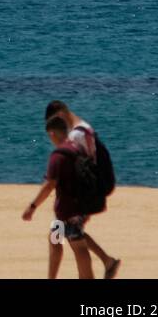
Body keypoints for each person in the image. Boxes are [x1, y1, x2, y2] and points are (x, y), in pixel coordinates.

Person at [43, 100, 121, 278]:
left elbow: (81, 167)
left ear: (61, 115)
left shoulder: (77, 134)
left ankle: (106, 262)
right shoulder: (80, 129)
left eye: (55, 121)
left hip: (78, 198)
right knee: (60, 237)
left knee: (74, 241)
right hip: (72, 198)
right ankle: (108, 261)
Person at [22, 116, 100, 278]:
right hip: (80, 205)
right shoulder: (77, 148)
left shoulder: (58, 155)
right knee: (55, 238)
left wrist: (32, 206)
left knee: (78, 245)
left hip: (69, 208)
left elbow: (49, 185)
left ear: (52, 133)